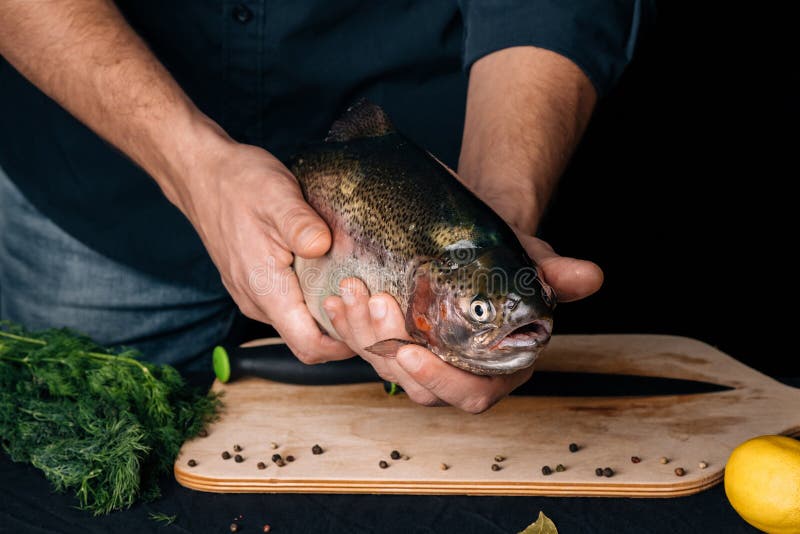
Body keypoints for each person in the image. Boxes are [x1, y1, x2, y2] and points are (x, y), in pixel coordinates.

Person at [0, 1, 651, 412]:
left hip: (436, 142)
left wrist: (500, 201)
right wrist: (191, 166)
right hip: (99, 181)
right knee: (76, 436)